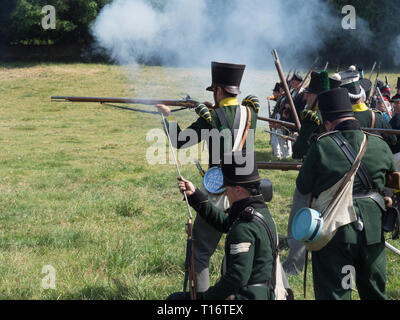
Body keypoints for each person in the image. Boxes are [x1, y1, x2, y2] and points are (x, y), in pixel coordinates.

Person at [156, 61, 260, 293]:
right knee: (237, 251)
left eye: (215, 91)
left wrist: (167, 117)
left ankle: (202, 301)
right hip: (248, 194)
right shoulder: (250, 112)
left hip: (220, 192)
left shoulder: (210, 118)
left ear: (219, 91)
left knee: (200, 252)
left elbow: (179, 141)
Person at [296, 87, 396, 300]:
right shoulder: (378, 144)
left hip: (336, 230)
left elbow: (303, 185)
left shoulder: (322, 146)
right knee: (375, 292)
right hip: (372, 228)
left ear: (328, 122)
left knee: (336, 291)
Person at [167, 151, 278, 300]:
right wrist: (195, 196)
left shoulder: (245, 227)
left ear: (238, 190)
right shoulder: (262, 213)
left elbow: (236, 278)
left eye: (226, 189)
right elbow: (227, 224)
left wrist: (206, 298)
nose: (225, 194)